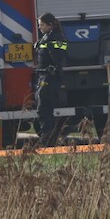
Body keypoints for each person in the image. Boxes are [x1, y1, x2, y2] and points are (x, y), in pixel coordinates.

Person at [32, 13, 68, 146]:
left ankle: (47, 139)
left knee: (44, 107)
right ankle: (47, 137)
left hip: (50, 77)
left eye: (42, 25)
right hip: (41, 76)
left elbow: (59, 57)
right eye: (39, 25)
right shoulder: (45, 37)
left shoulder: (56, 38)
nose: (40, 27)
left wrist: (54, 66)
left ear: (50, 25)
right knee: (42, 107)